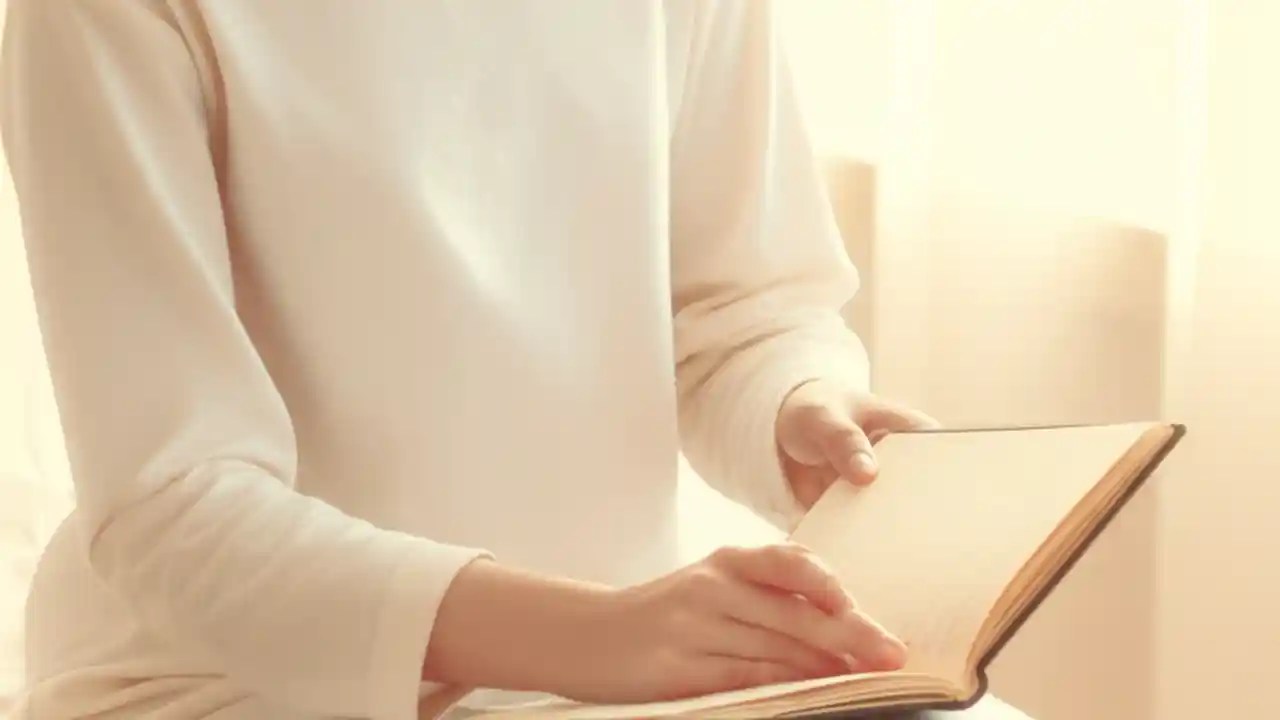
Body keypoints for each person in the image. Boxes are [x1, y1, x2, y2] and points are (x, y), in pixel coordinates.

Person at [2, 1, 1030, 718]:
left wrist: (794, 408)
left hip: (626, 672)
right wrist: (599, 640)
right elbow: (172, 505)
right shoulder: (107, 11)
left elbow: (741, 309)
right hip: (229, 684)